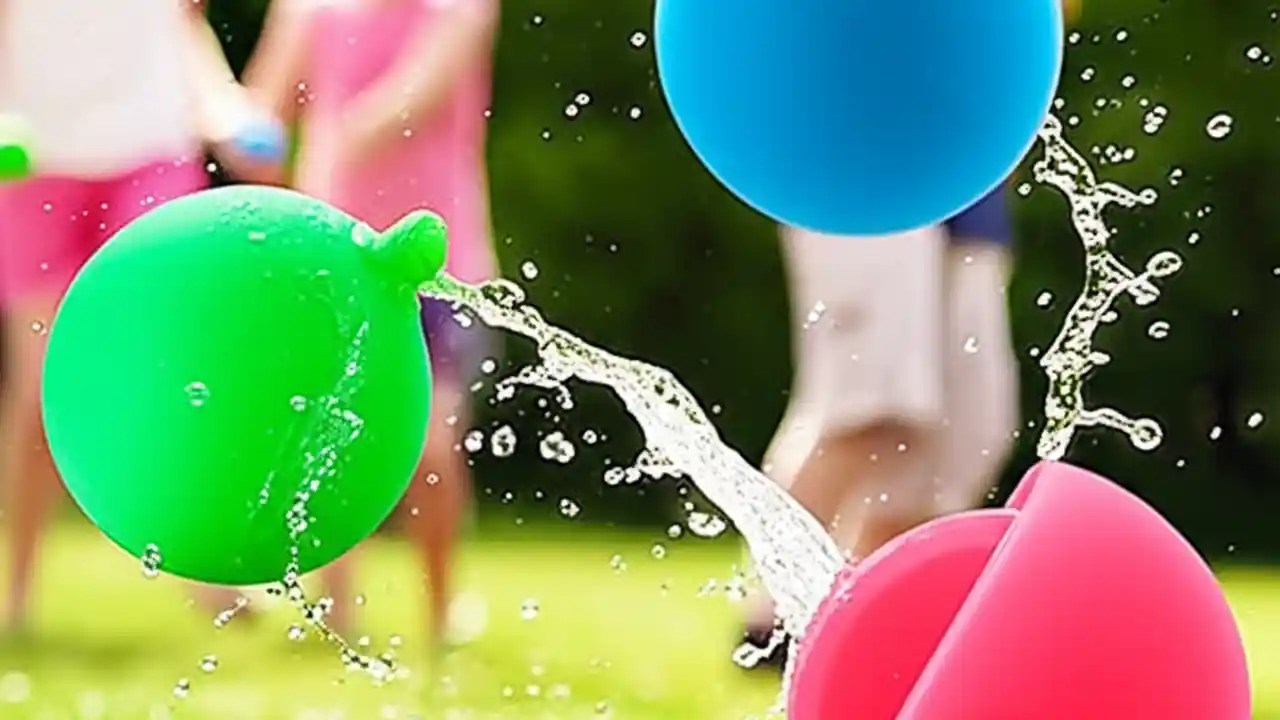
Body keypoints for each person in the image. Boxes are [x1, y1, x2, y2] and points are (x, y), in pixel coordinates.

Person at [210, 0, 500, 645]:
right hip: (335, 262)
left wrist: (341, 138)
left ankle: (439, 606)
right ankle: (337, 614)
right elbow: (266, 105)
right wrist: (243, 130)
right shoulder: (308, 6)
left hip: (435, 262)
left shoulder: (458, 6)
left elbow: (416, 95)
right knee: (329, 440)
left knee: (431, 451)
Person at [0, 0, 263, 633]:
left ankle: (205, 570)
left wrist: (227, 109)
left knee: (175, 374)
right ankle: (18, 592)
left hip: (152, 150)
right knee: (41, 395)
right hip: (36, 163)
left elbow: (184, 27)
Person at [740, 186, 1021, 664]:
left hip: (970, 206)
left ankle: (871, 623)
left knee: (960, 444)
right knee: (868, 413)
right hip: (863, 170)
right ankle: (771, 620)